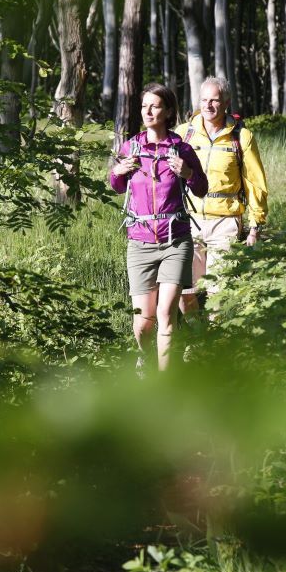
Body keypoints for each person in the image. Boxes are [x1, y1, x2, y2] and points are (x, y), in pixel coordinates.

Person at [110, 83, 208, 371]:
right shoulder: (131, 146)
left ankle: (165, 382)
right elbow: (116, 186)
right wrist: (117, 171)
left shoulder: (181, 148)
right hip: (139, 242)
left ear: (167, 112)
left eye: (154, 106)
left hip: (175, 240)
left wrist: (188, 172)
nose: (148, 111)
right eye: (144, 106)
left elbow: (202, 188)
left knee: (167, 313)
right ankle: (144, 358)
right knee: (144, 320)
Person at [175, 76, 268, 315]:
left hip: (225, 223)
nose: (208, 106)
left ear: (226, 102)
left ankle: (216, 346)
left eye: (214, 100)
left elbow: (254, 182)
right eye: (204, 100)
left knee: (220, 291)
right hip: (189, 222)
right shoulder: (184, 134)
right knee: (185, 293)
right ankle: (197, 338)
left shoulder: (241, 137)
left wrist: (255, 225)